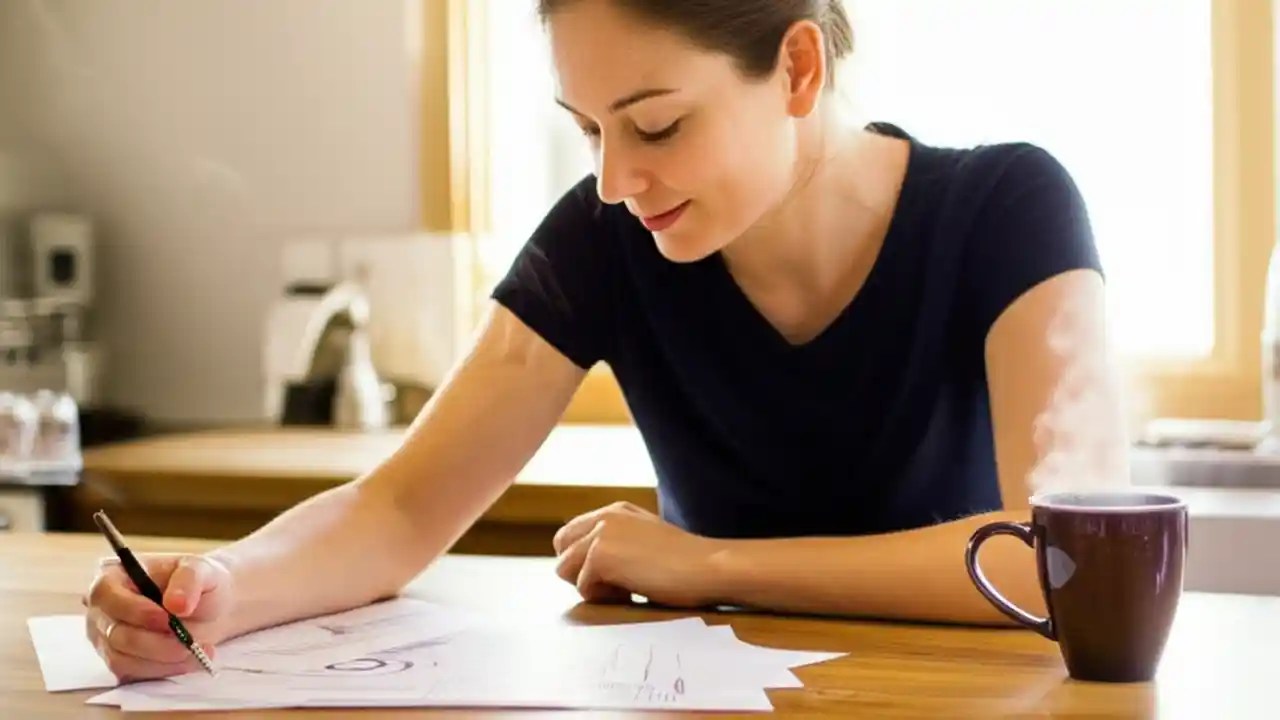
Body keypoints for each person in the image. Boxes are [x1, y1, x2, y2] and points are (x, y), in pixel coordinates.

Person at [84, 0, 1128, 681]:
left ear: (798, 69)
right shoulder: (607, 235)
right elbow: (399, 507)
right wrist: (216, 587)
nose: (614, 180)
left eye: (657, 125)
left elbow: (1056, 562)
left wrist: (709, 564)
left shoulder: (1009, 206)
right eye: (586, 129)